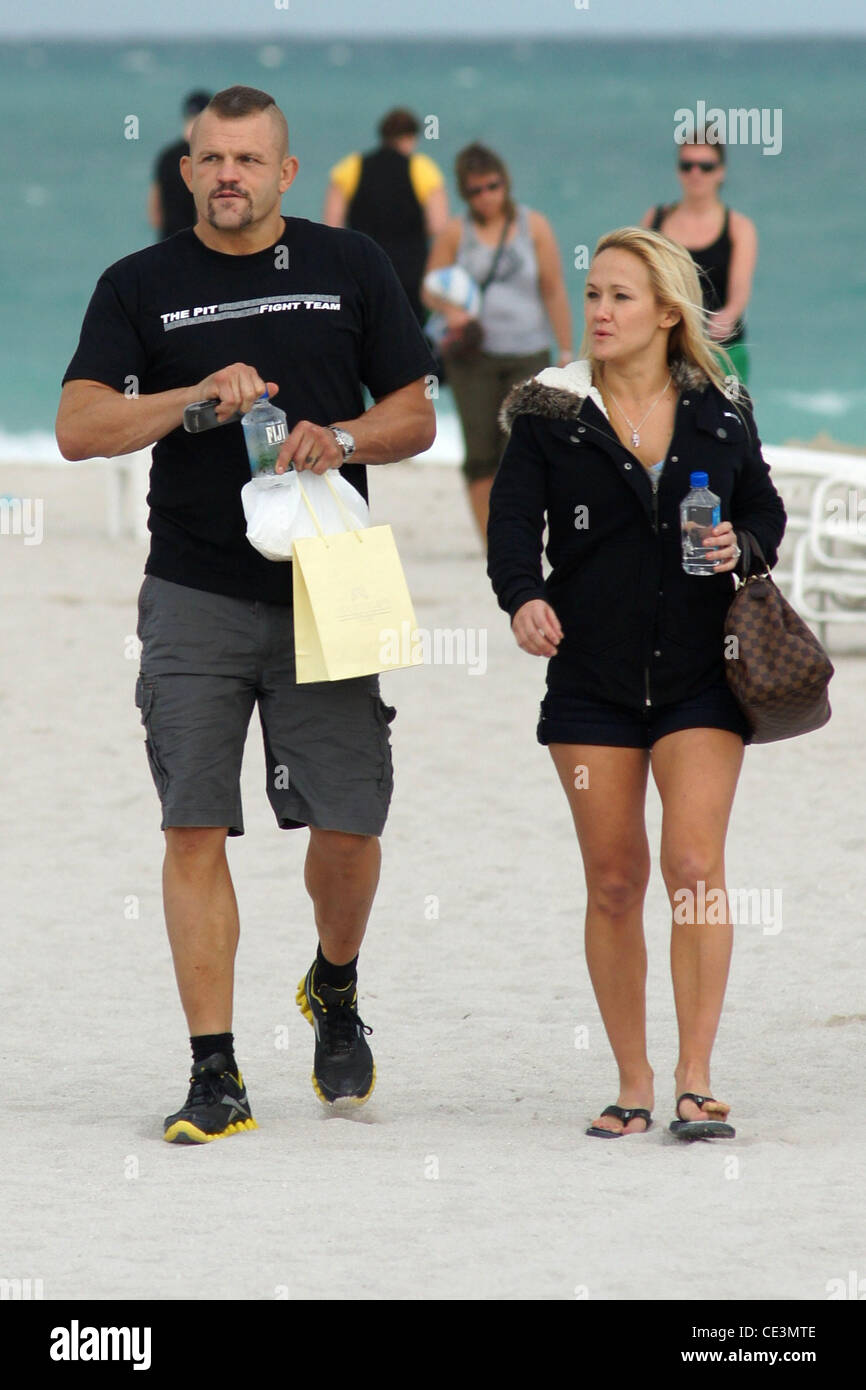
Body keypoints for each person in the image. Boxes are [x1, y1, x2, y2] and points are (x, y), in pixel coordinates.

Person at [56, 85, 436, 1144]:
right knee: (191, 822)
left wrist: (342, 439)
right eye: (209, 159)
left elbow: (413, 411)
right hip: (193, 590)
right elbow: (79, 426)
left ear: (285, 173)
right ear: (185, 172)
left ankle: (335, 982)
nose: (228, 175)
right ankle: (214, 1074)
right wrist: (188, 404)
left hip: (333, 576)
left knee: (351, 824)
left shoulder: (348, 264)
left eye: (248, 160)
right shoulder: (140, 284)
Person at [487, 226, 785, 1141]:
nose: (601, 311)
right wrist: (524, 598)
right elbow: (511, 531)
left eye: (621, 296)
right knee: (615, 879)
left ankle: (697, 1078)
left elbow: (763, 507)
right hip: (590, 679)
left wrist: (747, 543)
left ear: (665, 311)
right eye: (594, 296)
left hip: (703, 677)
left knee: (693, 868)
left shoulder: (721, 406)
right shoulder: (548, 411)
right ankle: (632, 1079)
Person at [423, 143, 572, 545]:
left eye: (493, 186)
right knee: (481, 454)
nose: (486, 197)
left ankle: (522, 535)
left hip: (529, 353)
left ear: (505, 184)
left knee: (525, 451)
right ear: (464, 194)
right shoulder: (458, 232)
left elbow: (554, 289)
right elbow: (430, 288)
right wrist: (451, 311)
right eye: (476, 191)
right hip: (474, 358)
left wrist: (567, 351)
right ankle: (494, 543)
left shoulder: (533, 226)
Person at [640, 131, 757, 384]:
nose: (695, 173)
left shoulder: (738, 227)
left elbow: (739, 289)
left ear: (720, 172)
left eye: (705, 166)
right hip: (666, 346)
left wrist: (729, 314)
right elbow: (639, 280)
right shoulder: (655, 219)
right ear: (678, 171)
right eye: (687, 166)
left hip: (721, 350)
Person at [323, 108, 449, 325]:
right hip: (410, 273)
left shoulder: (351, 167)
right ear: (411, 137)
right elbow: (439, 225)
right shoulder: (422, 168)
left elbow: (332, 225)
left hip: (362, 270)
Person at [148, 90, 212, 239]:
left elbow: (155, 216)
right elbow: (203, 212)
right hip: (196, 247)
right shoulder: (207, 157)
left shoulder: (166, 156)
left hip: (167, 244)